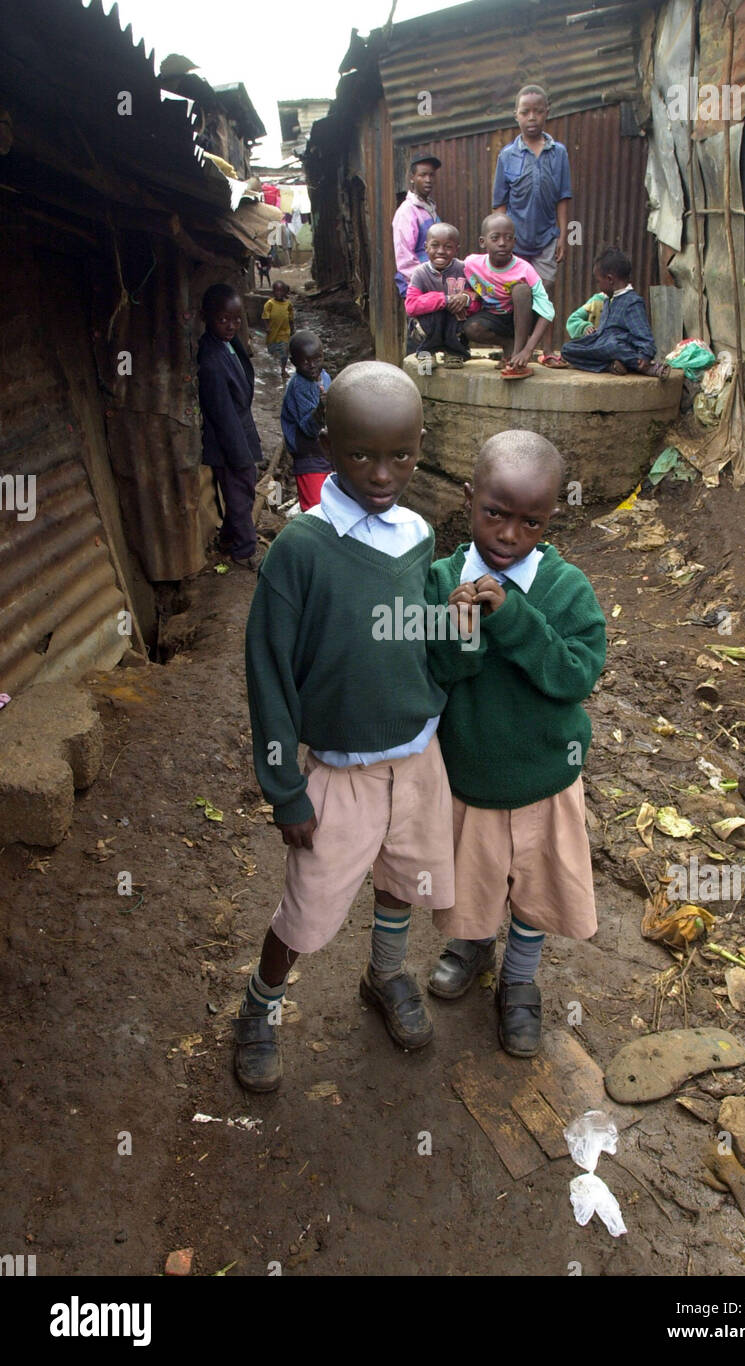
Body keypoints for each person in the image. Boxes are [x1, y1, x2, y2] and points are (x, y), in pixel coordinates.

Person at [235, 361, 456, 1092]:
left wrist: (466, 634)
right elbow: (268, 674)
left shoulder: (419, 534)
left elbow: (424, 638)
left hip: (418, 758)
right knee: (308, 907)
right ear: (328, 442)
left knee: (402, 881)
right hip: (340, 771)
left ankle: (385, 976)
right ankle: (260, 1007)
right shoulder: (301, 549)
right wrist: (284, 789)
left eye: (401, 453)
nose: (383, 472)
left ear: (420, 445)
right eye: (362, 453)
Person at [424, 431, 607, 1056]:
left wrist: (515, 619)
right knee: (474, 883)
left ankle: (521, 983)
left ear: (550, 519)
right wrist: (461, 631)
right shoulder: (442, 579)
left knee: (534, 890)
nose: (508, 535)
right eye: (495, 514)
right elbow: (435, 674)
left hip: (544, 781)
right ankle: (474, 945)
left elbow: (575, 676)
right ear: (470, 498)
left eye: (531, 522)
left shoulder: (566, 590)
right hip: (470, 779)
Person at [492, 85, 572, 363]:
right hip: (515, 242)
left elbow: (563, 197)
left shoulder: (558, 153)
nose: (532, 117)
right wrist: (500, 242)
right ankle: (513, 349)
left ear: (547, 113)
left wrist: (562, 235)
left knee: (546, 291)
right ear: (516, 115)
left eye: (538, 111)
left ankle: (547, 351)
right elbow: (499, 205)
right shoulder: (507, 155)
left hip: (547, 237)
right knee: (516, 295)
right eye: (525, 112)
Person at [197, 283, 263, 571]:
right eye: (223, 319)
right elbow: (223, 415)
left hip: (242, 432)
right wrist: (240, 456)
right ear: (206, 317)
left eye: (236, 319)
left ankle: (228, 537)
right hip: (230, 442)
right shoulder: (210, 361)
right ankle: (245, 550)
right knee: (239, 495)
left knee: (242, 490)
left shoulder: (230, 343)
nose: (231, 325)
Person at [462, 213, 555, 378]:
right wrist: (466, 295)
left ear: (515, 242)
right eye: (495, 238)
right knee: (471, 328)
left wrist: (528, 350)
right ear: (483, 242)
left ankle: (517, 357)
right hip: (496, 318)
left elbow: (547, 311)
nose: (502, 243)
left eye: (508, 238)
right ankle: (509, 344)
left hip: (523, 318)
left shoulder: (524, 269)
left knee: (521, 291)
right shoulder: (471, 264)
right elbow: (451, 275)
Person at [559, 246, 670, 377]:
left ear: (610, 279)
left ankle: (643, 367)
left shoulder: (632, 302)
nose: (598, 285)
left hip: (619, 347)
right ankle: (610, 366)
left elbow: (644, 336)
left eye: (598, 281)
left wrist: (645, 355)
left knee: (613, 346)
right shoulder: (608, 300)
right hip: (603, 344)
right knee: (567, 349)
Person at [404, 223, 479, 368]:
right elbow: (411, 306)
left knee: (457, 310)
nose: (441, 251)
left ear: (457, 249)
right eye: (435, 245)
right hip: (429, 326)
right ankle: (426, 353)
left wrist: (466, 299)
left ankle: (455, 353)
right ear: (426, 247)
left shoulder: (465, 269)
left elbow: (479, 299)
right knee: (432, 311)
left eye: (448, 247)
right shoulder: (420, 273)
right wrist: (443, 300)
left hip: (455, 324)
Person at [280, 329, 332, 511]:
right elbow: (309, 429)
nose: (312, 365)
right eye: (305, 361)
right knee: (315, 510)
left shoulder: (324, 376)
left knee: (331, 503)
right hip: (307, 455)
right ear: (294, 362)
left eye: (316, 359)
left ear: (323, 355)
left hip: (324, 452)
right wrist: (321, 409)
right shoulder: (299, 386)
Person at [392, 155, 441, 298]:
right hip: (418, 286)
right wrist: (426, 283)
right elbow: (405, 257)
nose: (428, 179)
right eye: (423, 175)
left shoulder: (429, 209)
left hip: (435, 282)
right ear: (412, 178)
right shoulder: (407, 211)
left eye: (431, 175)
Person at [261, 281, 295, 380]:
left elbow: (291, 318)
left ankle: (283, 370)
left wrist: (292, 329)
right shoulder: (269, 304)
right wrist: (267, 327)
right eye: (276, 291)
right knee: (272, 351)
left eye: (281, 291)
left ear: (285, 292)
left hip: (285, 333)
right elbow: (264, 317)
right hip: (273, 333)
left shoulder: (288, 304)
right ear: (273, 292)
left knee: (284, 353)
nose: (279, 293)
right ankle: (275, 363)